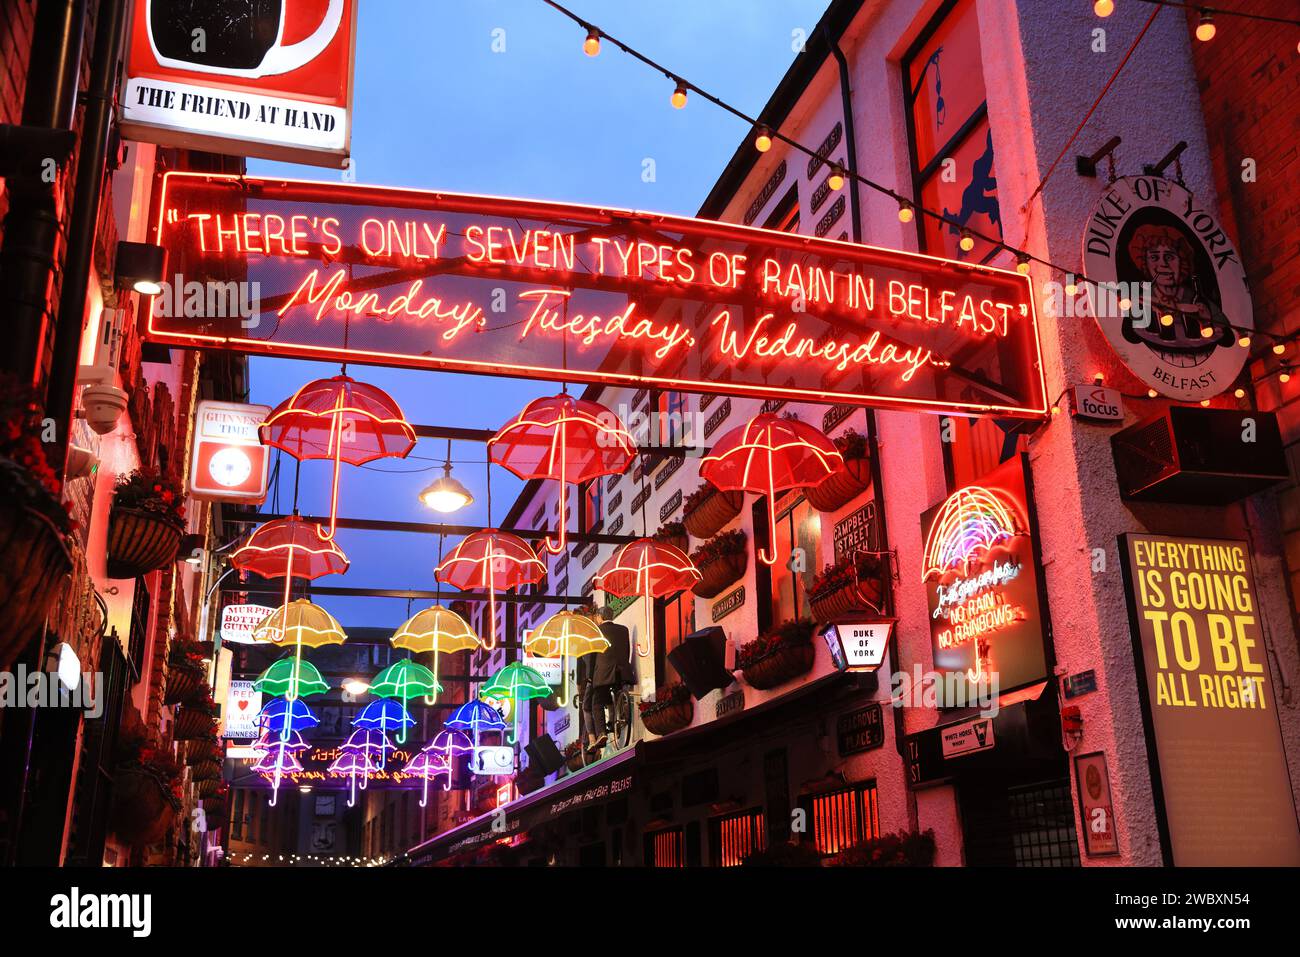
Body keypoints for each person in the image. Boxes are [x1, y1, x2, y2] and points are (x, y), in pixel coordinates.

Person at [583, 606, 635, 755]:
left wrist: (590, 677)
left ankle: (602, 733)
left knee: (597, 702)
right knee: (617, 692)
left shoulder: (596, 632)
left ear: (599, 617)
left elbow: (592, 657)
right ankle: (617, 719)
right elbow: (626, 650)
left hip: (604, 673)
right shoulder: (623, 629)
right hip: (622, 671)